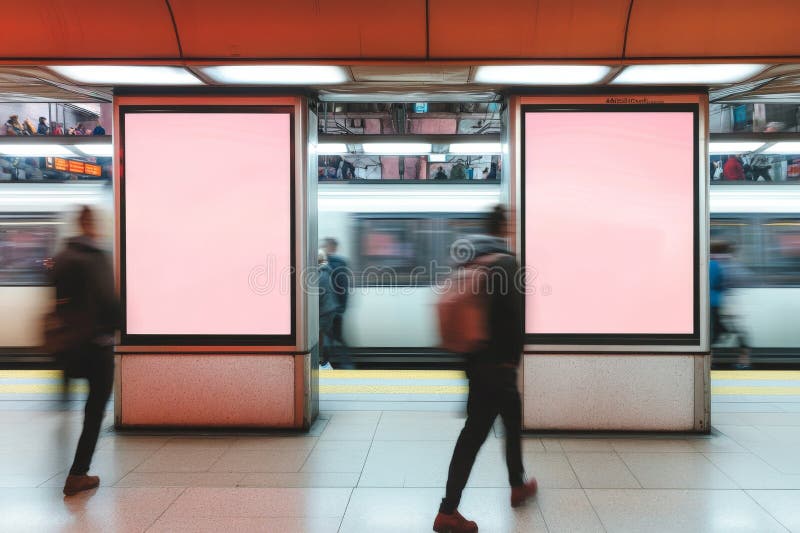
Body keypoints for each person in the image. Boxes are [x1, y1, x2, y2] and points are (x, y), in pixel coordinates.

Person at [433, 205, 537, 533]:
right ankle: (448, 511)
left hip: (477, 363)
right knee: (476, 435)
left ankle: (517, 485)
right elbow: (513, 318)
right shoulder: (506, 263)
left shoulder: (471, 260)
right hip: (499, 367)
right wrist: (512, 360)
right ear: (506, 228)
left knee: (502, 425)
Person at [51, 206, 119, 496]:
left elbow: (57, 299)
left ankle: (62, 400)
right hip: (96, 347)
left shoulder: (62, 257)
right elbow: (109, 302)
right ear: (92, 225)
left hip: (70, 346)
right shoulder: (96, 258)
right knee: (94, 413)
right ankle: (78, 474)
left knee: (82, 404)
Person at [323, 237, 353, 369]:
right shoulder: (341, 263)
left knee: (330, 337)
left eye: (325, 246)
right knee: (336, 337)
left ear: (331, 247)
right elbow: (344, 288)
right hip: (335, 308)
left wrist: (340, 308)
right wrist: (342, 307)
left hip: (328, 309)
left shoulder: (330, 263)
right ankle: (344, 363)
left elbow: (342, 287)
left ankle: (329, 363)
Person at [317, 249, 338, 370]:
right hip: (328, 309)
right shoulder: (325, 271)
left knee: (322, 336)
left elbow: (318, 294)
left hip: (326, 310)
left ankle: (324, 363)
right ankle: (324, 362)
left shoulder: (322, 273)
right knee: (326, 335)